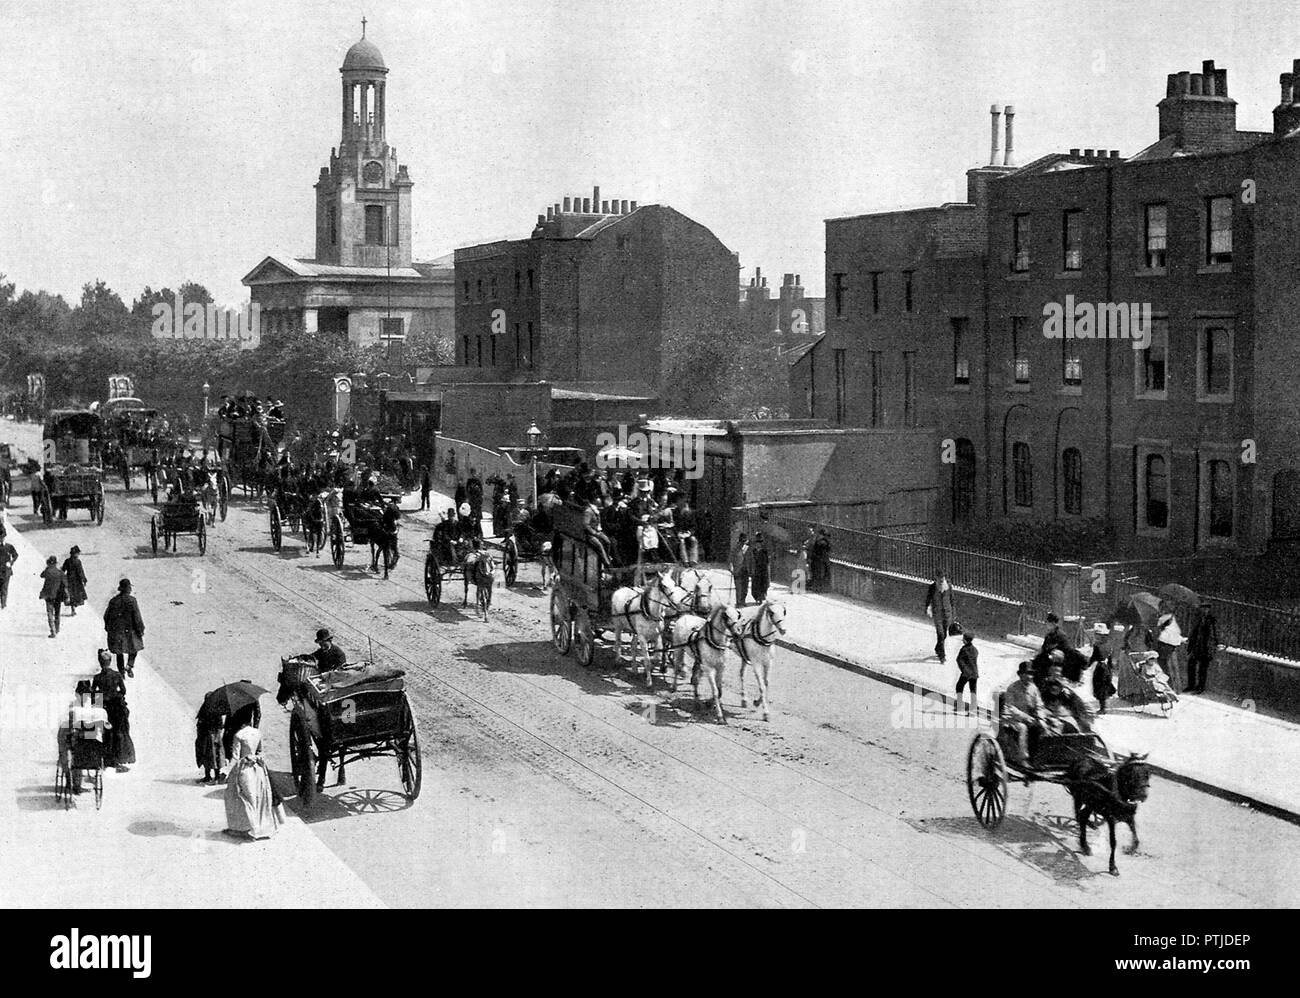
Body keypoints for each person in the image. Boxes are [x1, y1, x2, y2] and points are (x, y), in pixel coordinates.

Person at [224, 709, 283, 840]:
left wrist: (226, 772)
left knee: (240, 798)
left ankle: (247, 828)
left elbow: (235, 758)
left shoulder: (239, 735)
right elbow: (260, 752)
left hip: (244, 770)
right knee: (259, 798)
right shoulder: (257, 733)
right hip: (258, 769)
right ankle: (261, 828)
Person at [64, 680, 110, 794]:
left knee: (70, 748)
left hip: (79, 744)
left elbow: (71, 727)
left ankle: (74, 784)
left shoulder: (73, 708)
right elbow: (106, 727)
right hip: (95, 746)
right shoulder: (100, 710)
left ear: (77, 693)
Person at [92, 649, 135, 772]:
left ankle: (106, 758)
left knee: (106, 734)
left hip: (104, 708)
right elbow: (123, 691)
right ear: (110, 661)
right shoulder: (116, 675)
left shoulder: (97, 677)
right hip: (117, 707)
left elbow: (93, 693)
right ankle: (117, 759)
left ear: (100, 662)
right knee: (119, 732)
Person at [1001, 661, 1046, 765]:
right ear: (1020, 674)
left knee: (1042, 727)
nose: (1029, 676)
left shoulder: (1033, 688)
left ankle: (1037, 758)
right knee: (1023, 728)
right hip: (1011, 719)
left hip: (1028, 719)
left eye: (1031, 674)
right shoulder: (1012, 688)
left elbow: (1039, 705)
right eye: (1026, 673)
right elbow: (1010, 707)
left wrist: (1041, 719)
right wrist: (1025, 717)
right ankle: (1023, 758)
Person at [103, 578, 145, 677]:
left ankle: (121, 672)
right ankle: (129, 666)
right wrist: (140, 629)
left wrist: (108, 628)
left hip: (117, 631)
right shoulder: (132, 601)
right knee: (134, 650)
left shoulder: (113, 601)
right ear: (128, 588)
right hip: (130, 631)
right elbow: (137, 617)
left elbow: (106, 616)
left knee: (119, 652)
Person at [1039, 657, 1091, 734]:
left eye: (1058, 675)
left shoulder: (1068, 693)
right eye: (1051, 675)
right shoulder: (1041, 690)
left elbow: (1079, 708)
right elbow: (1037, 707)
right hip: (1048, 720)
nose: (1054, 678)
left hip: (1065, 720)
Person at [1186, 601, 1220, 694]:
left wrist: (1213, 647)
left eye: (1206, 608)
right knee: (1191, 665)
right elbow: (1194, 632)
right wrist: (1190, 645)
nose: (1204, 610)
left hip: (1205, 648)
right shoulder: (1199, 618)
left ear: (1209, 609)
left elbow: (1214, 635)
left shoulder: (1211, 620)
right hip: (1197, 647)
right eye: (1203, 608)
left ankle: (1200, 687)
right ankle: (1191, 685)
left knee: (1202, 669)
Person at [924, 569, 957, 664]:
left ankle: (937, 648)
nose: (941, 580)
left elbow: (952, 601)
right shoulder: (932, 587)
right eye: (940, 578)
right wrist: (927, 608)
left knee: (945, 634)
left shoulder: (949, 587)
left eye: (943, 578)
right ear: (936, 578)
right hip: (937, 614)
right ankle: (942, 656)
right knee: (940, 634)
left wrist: (954, 615)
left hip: (947, 614)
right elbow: (928, 599)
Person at [1154, 607, 1185, 692]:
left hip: (1164, 645)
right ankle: (1175, 688)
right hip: (1173, 646)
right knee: (1172, 668)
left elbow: (1157, 630)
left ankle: (1167, 687)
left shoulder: (1163, 618)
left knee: (1163, 667)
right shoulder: (1175, 621)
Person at [1089, 622, 1116, 715]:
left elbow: (1094, 657)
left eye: (1097, 635)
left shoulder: (1097, 646)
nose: (1096, 637)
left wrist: (1087, 665)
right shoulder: (1109, 645)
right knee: (1104, 686)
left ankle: (1102, 708)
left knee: (1099, 687)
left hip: (1100, 668)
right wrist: (1111, 667)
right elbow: (1111, 658)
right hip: (1107, 668)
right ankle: (1104, 706)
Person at [39, 554, 66, 638]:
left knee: (50, 613)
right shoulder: (60, 572)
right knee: (57, 613)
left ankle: (53, 631)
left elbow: (41, 575)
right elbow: (65, 584)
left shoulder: (47, 571)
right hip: (58, 595)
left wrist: (47, 568)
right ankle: (57, 629)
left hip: (49, 595)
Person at [955, 629, 979, 715]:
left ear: (965, 640)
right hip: (974, 673)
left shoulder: (964, 649)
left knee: (959, 687)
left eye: (963, 639)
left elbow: (959, 660)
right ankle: (973, 710)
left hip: (966, 673)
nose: (962, 640)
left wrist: (963, 670)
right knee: (973, 690)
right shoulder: (975, 650)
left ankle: (959, 706)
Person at [61, 545, 87, 617]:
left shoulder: (67, 561)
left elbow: (63, 570)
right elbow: (81, 572)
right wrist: (84, 579)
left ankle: (73, 609)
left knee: (71, 594)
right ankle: (73, 609)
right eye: (77, 553)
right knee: (76, 594)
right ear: (75, 554)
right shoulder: (78, 562)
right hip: (76, 581)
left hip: (69, 579)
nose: (78, 555)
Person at [730, 532, 751, 607]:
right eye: (742, 541)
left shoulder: (748, 549)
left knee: (745, 587)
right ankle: (738, 602)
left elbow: (751, 559)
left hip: (746, 570)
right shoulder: (735, 548)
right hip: (737, 569)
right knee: (738, 587)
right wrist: (731, 567)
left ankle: (743, 601)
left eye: (744, 541)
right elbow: (730, 558)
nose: (743, 542)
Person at [750, 532, 771, 603]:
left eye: (760, 542)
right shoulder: (754, 551)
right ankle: (757, 598)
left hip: (763, 570)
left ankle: (761, 598)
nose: (758, 544)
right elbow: (752, 560)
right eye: (757, 542)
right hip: (756, 570)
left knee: (763, 584)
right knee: (756, 585)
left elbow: (767, 562)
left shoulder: (765, 551)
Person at [0, 532, 17, 610]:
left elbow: (15, 555)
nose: (1, 539)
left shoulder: (9, 546)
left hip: (6, 571)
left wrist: (11, 562)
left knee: (4, 587)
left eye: (2, 538)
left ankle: (3, 604)